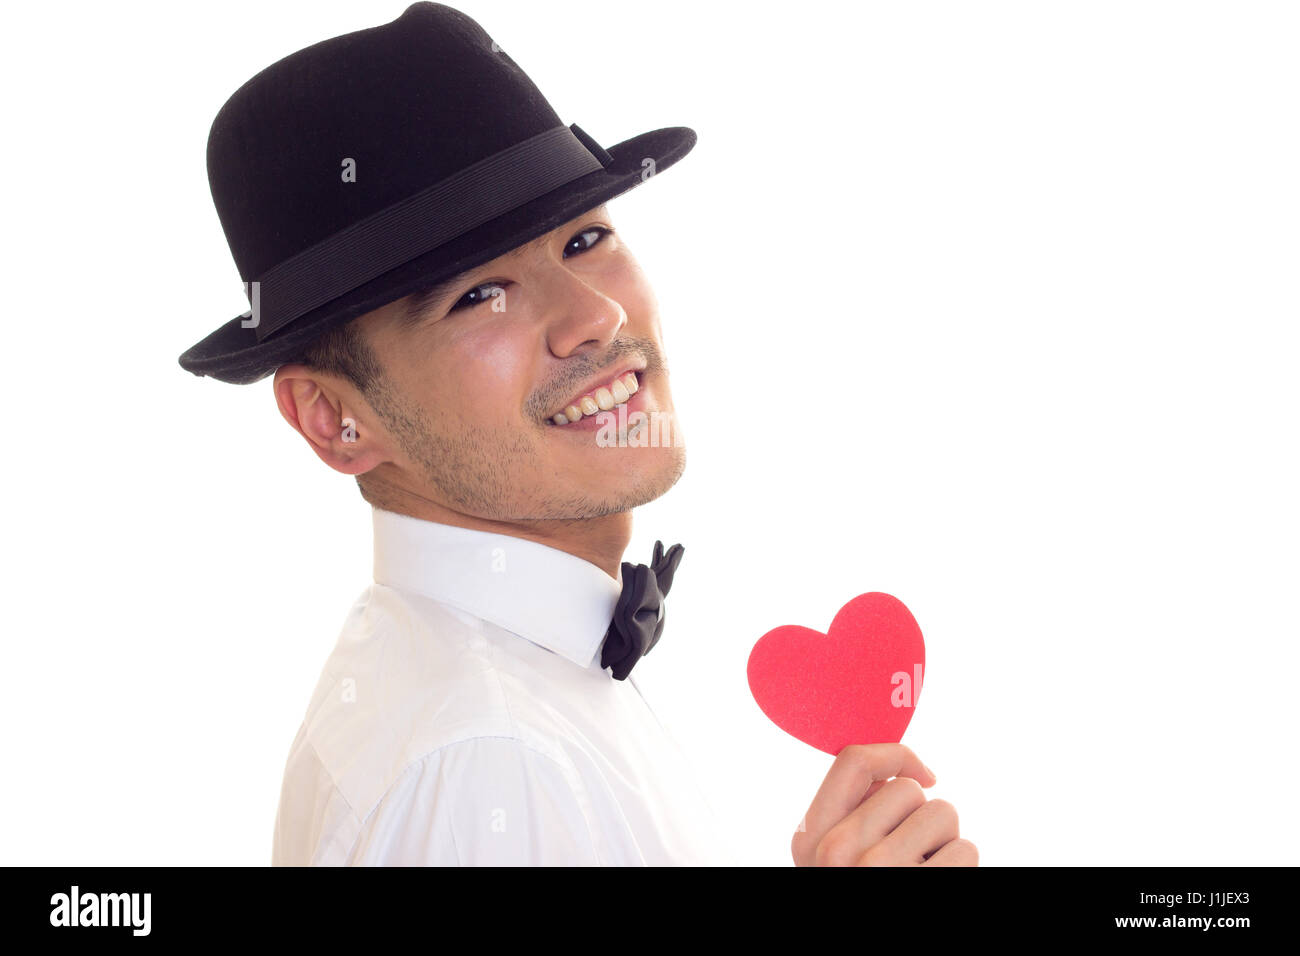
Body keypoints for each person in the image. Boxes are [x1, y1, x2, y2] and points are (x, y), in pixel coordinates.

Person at [179, 2, 978, 867]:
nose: (594, 316)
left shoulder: (485, 688)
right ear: (336, 420)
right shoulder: (490, 762)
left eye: (586, 237)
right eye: (480, 293)